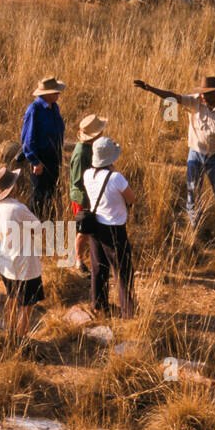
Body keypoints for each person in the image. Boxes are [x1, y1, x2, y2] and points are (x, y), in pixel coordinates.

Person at [133, 72, 215, 228]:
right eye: (201, 93)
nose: (202, 96)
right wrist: (150, 88)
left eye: (205, 94)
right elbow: (172, 97)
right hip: (195, 154)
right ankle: (194, 226)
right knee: (192, 192)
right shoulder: (194, 101)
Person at [0, 165, 44, 340]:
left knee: (11, 298)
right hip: (25, 265)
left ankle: (11, 334)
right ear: (13, 187)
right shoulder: (17, 208)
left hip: (6, 263)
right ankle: (20, 341)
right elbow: (39, 229)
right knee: (26, 307)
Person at [83, 136, 135, 319]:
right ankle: (128, 312)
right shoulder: (116, 178)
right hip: (114, 228)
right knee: (123, 271)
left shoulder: (87, 174)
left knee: (98, 268)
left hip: (95, 226)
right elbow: (131, 198)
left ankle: (98, 305)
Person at [21, 75, 66, 221]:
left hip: (54, 157)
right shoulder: (34, 110)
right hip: (41, 160)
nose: (58, 95)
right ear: (46, 94)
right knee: (39, 197)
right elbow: (27, 139)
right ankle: (35, 229)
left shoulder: (54, 107)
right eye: (55, 92)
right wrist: (35, 162)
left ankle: (48, 225)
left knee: (51, 194)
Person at [69, 114, 108, 275]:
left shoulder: (89, 148)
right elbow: (78, 181)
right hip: (83, 197)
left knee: (91, 229)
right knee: (83, 230)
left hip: (90, 196)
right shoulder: (80, 153)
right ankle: (78, 261)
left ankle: (90, 258)